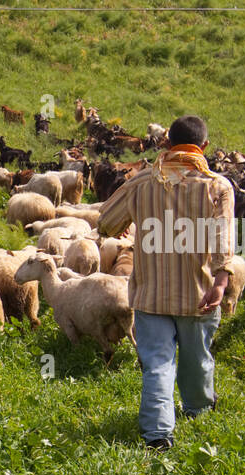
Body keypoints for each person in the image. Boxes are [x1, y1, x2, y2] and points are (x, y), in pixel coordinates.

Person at [98, 115, 235, 451]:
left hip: (151, 295)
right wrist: (220, 282)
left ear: (168, 143)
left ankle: (158, 434)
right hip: (199, 293)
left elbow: (105, 222)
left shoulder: (141, 183)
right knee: (197, 358)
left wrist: (120, 228)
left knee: (157, 363)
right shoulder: (217, 186)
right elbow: (222, 239)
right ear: (203, 146)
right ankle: (198, 411)